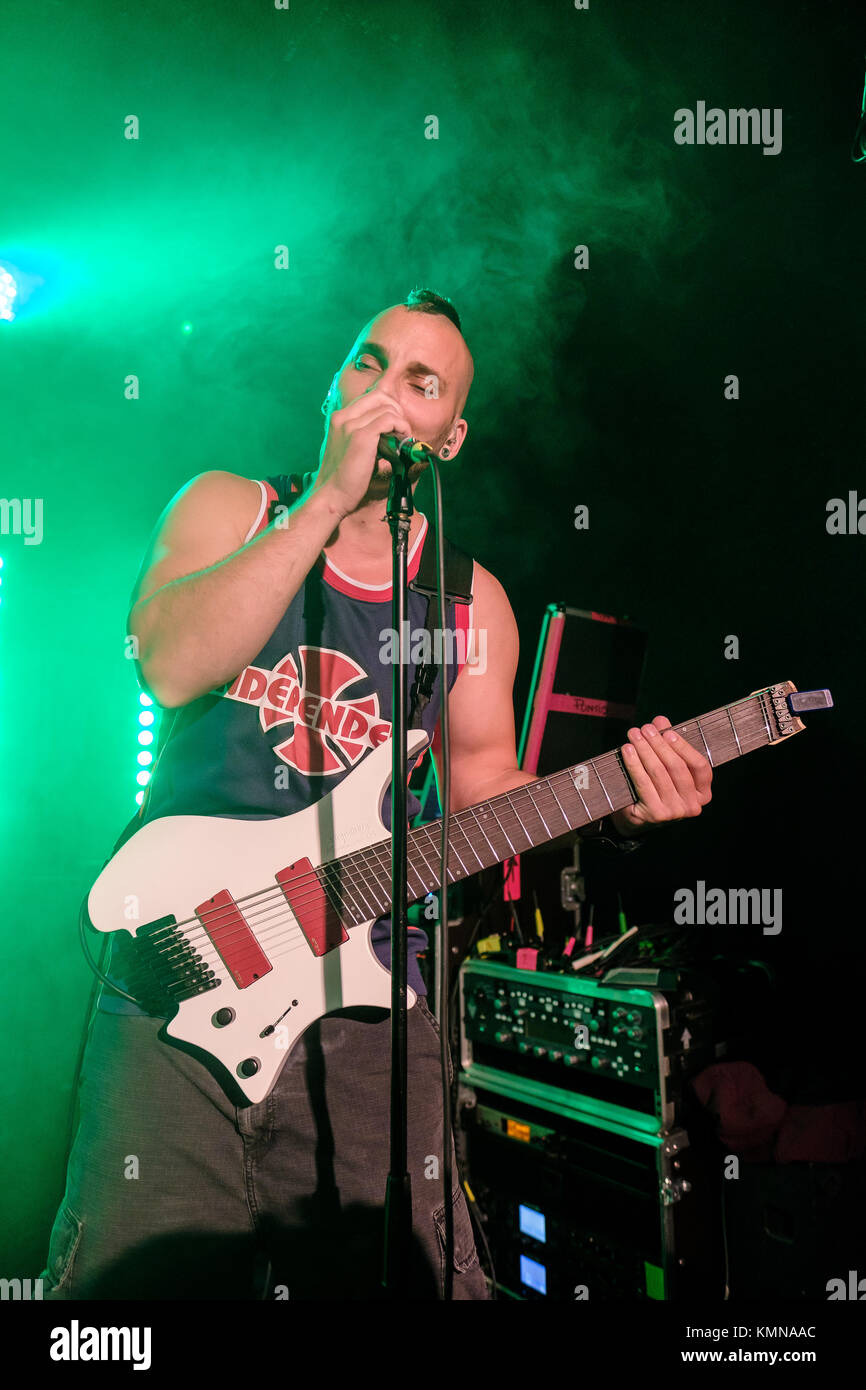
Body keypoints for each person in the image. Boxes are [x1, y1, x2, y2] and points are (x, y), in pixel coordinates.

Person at [40, 288, 712, 1301]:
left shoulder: (464, 601)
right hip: (180, 976)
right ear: (331, 384)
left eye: (421, 383)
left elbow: (488, 793)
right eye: (368, 362)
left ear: (449, 438)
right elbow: (171, 667)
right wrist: (320, 504)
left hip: (362, 1002)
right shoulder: (230, 505)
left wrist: (617, 801)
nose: (385, 392)